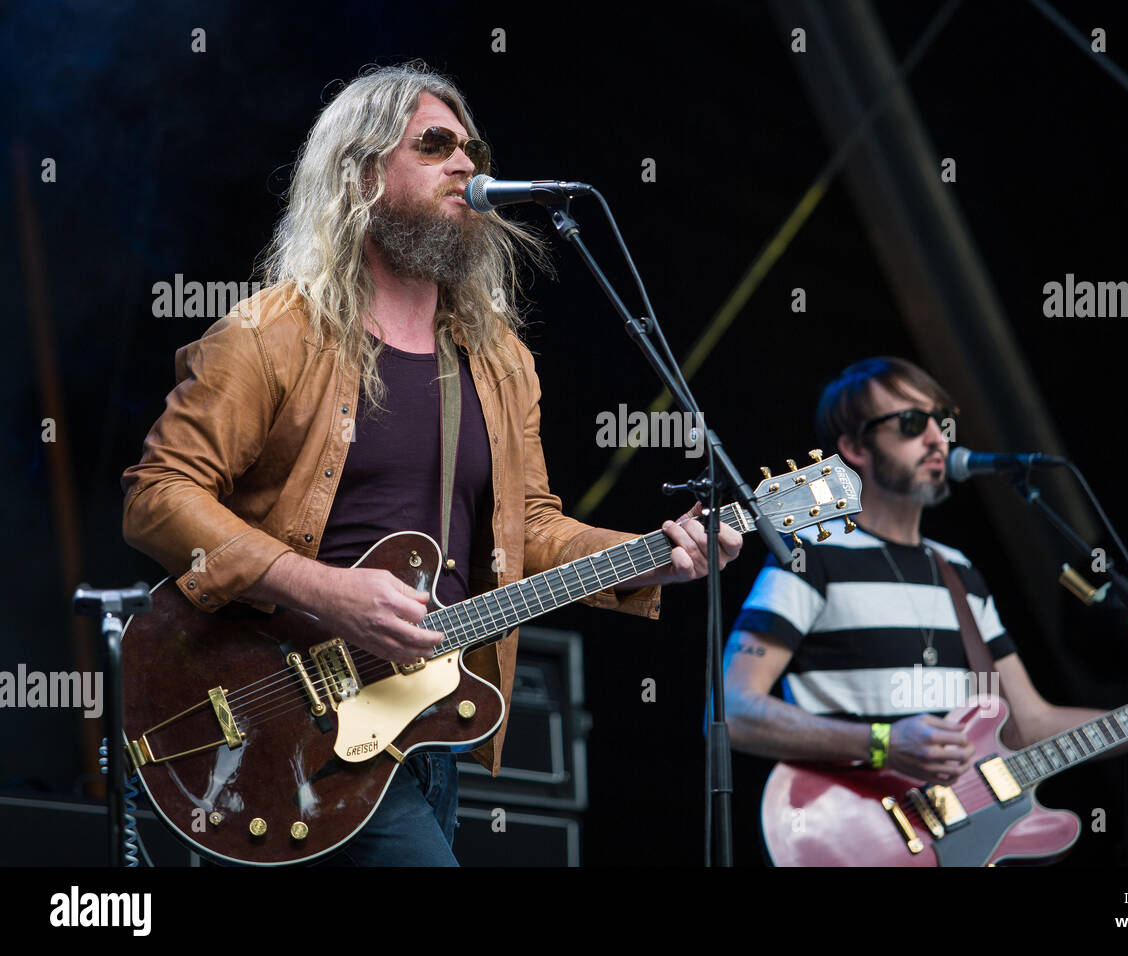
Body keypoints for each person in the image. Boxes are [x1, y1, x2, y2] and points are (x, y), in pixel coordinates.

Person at [121, 61, 741, 866]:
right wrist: (327, 590)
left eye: (471, 148)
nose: (466, 165)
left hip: (418, 727)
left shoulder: (501, 361)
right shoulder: (270, 334)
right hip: (270, 706)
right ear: (360, 174)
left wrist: (657, 557)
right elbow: (157, 497)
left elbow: (531, 529)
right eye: (436, 145)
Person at [724, 357, 1128, 795]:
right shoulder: (811, 554)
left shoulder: (959, 572)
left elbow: (1031, 724)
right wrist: (880, 742)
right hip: (849, 831)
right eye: (910, 423)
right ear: (856, 449)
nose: (935, 437)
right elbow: (734, 710)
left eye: (941, 421)